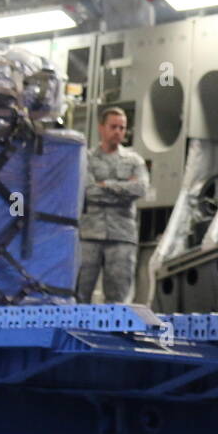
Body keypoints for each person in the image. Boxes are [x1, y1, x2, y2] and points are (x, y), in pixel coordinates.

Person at [77, 107, 150, 303]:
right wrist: (123, 190)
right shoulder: (86, 159)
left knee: (118, 298)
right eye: (113, 127)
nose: (118, 132)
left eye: (122, 128)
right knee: (79, 294)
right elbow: (87, 191)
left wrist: (106, 185)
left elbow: (141, 189)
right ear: (102, 128)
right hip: (89, 235)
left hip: (122, 237)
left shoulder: (134, 161)